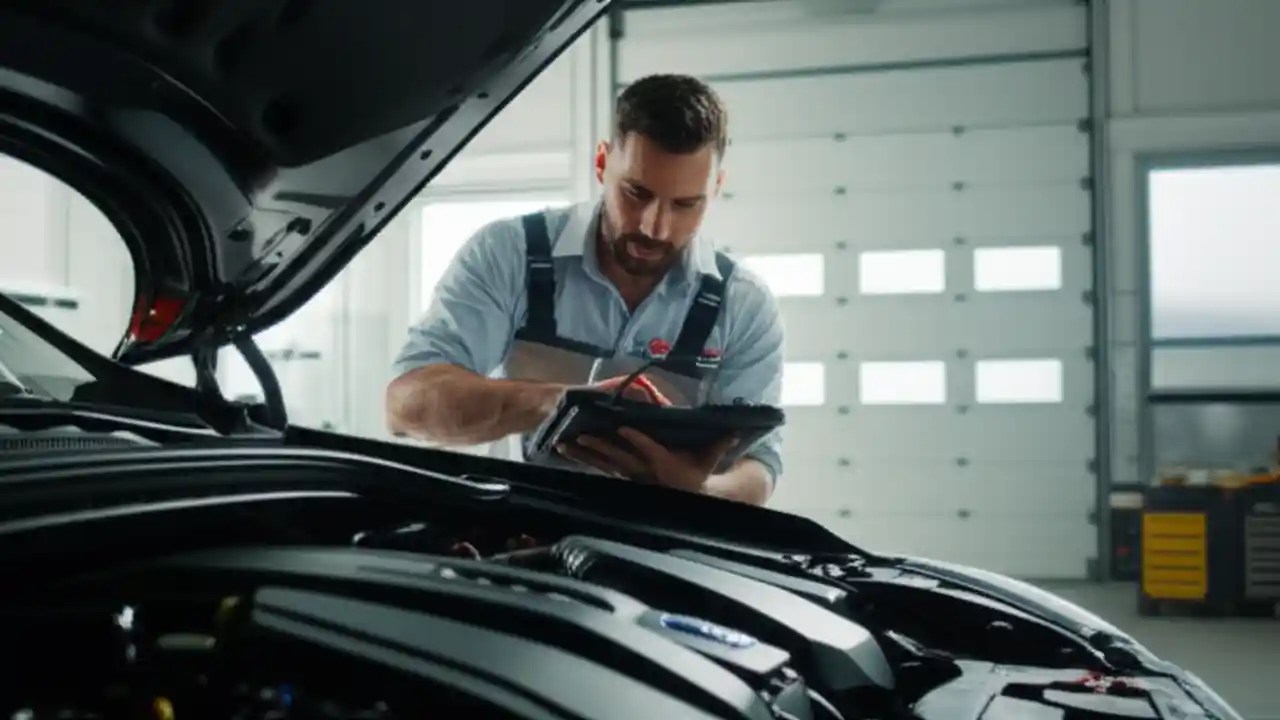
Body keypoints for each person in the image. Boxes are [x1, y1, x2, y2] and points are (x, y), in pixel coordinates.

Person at [385, 73, 783, 506]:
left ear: (716, 188)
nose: (656, 226)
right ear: (601, 163)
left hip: (658, 550)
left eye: (686, 204)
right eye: (636, 193)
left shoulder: (743, 305)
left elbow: (758, 471)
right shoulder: (509, 254)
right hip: (516, 533)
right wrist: (560, 405)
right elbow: (406, 407)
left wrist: (695, 490)